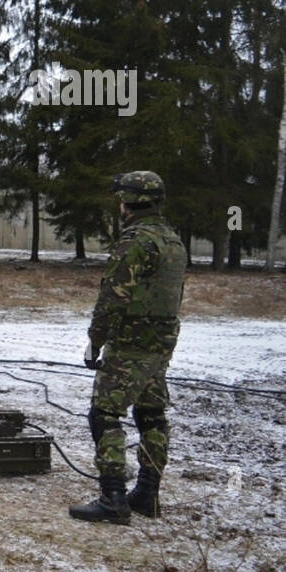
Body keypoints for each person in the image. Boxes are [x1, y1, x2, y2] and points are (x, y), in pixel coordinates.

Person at [71, 171, 186, 525]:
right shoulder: (173, 241)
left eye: (122, 199)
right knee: (151, 414)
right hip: (161, 343)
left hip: (131, 343)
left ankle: (113, 497)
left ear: (131, 202)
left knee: (104, 414)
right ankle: (148, 494)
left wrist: (95, 340)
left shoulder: (135, 242)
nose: (119, 206)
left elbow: (113, 297)